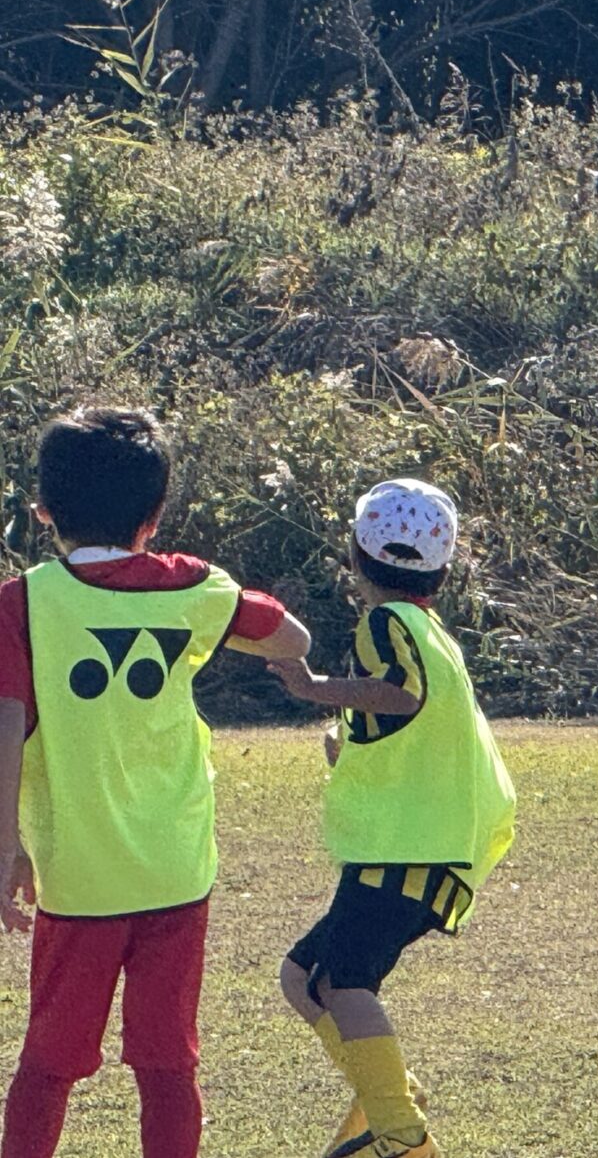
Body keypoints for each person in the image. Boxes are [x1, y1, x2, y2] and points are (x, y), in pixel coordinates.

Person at [0, 407, 312, 1158]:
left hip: (79, 876)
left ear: (43, 511)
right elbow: (291, 636)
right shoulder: (194, 587)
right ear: (156, 512)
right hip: (176, 868)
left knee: (47, 1063)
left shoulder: (23, 602)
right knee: (169, 1063)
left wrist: (7, 846)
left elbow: (6, 729)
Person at [268, 478, 516, 1158]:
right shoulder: (429, 630)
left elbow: (400, 696)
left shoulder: (386, 623)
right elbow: (408, 720)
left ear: (355, 552)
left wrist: (313, 687)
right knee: (304, 977)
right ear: (442, 569)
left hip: (407, 846)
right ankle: (388, 1098)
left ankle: (404, 1137)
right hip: (417, 844)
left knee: (343, 980)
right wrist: (349, 746)